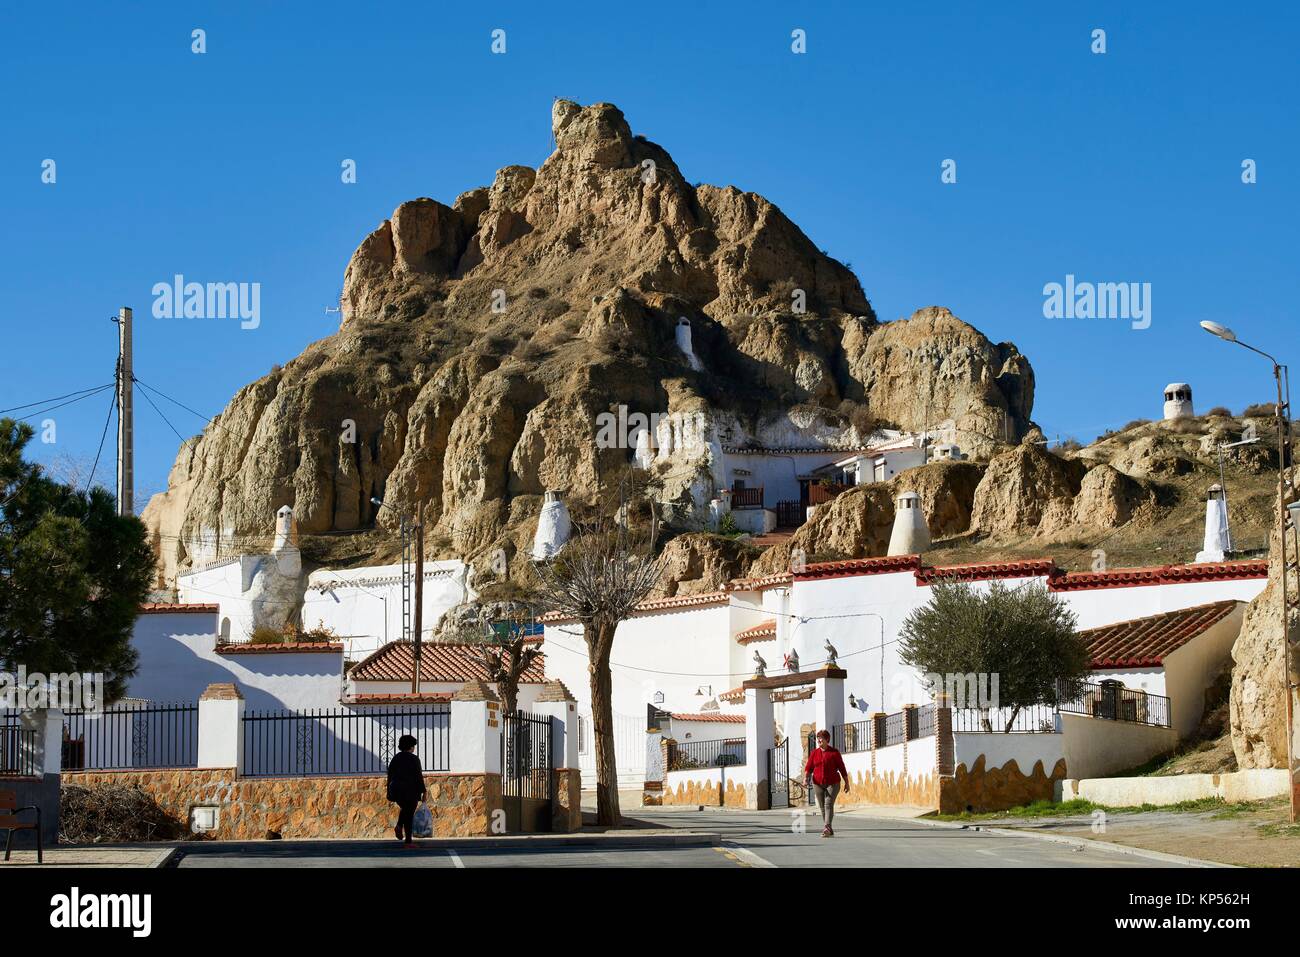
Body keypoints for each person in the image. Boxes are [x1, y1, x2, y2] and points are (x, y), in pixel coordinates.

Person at [803, 729, 850, 837]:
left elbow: (842, 768)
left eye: (821, 738)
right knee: (822, 807)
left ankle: (827, 827)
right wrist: (806, 778)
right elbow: (809, 768)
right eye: (818, 738)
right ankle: (828, 828)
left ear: (827, 740)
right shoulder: (814, 753)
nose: (819, 740)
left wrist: (847, 783)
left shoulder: (834, 752)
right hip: (817, 783)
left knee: (828, 804)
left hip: (833, 782)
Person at [386, 734, 426, 848]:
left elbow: (390, 775)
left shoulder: (396, 758)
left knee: (406, 809)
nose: (414, 748)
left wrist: (388, 791)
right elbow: (419, 776)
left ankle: (401, 829)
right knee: (409, 813)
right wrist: (424, 792)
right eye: (413, 746)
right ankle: (408, 840)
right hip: (411, 791)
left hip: (397, 790)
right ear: (411, 746)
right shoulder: (414, 759)